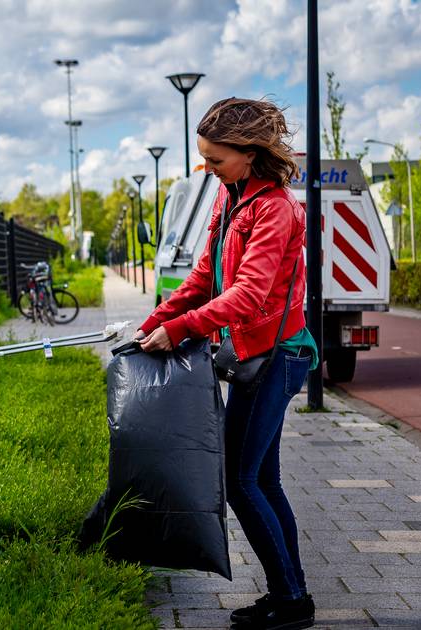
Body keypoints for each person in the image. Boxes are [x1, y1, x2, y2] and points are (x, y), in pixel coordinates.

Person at [135, 97, 318, 630]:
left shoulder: (275, 207)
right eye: (205, 159)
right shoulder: (230, 197)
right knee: (263, 479)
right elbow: (203, 281)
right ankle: (292, 594)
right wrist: (156, 320)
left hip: (277, 356)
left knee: (241, 482)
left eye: (215, 159)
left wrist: (181, 329)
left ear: (249, 152)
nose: (207, 168)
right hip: (256, 356)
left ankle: (290, 599)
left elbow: (247, 294)